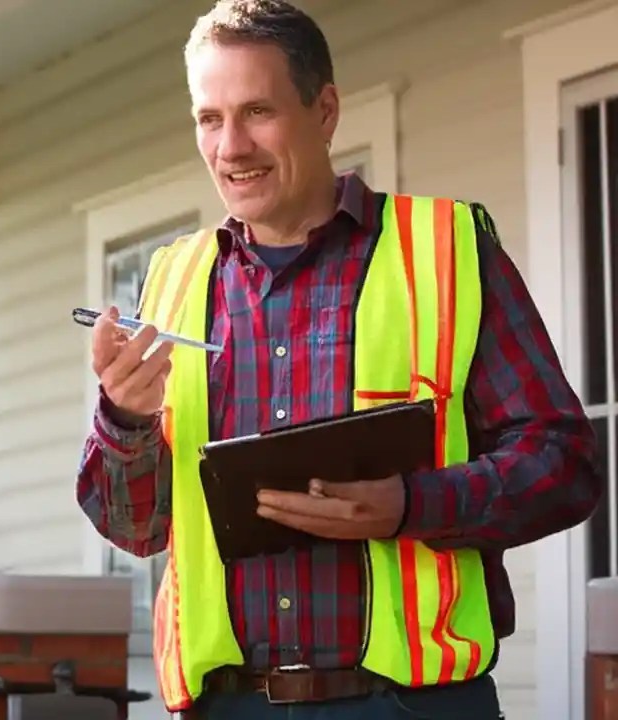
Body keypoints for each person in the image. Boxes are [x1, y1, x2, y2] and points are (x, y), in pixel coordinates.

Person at [76, 1, 602, 719]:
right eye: (209, 118)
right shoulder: (171, 285)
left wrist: (412, 506)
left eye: (257, 111)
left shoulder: (446, 253)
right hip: (228, 707)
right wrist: (124, 418)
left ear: (324, 111)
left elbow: (565, 463)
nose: (230, 147)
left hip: (412, 707)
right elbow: (133, 529)